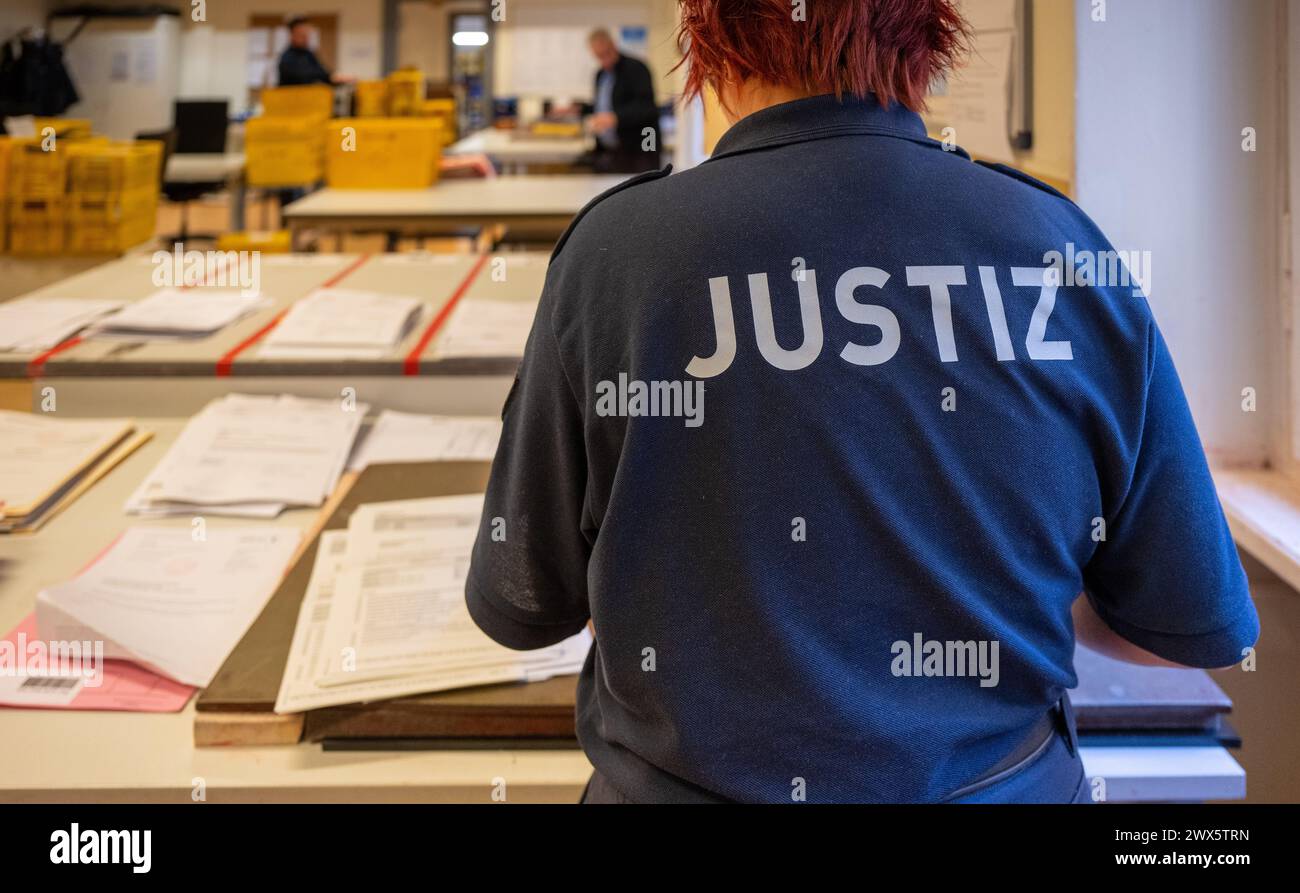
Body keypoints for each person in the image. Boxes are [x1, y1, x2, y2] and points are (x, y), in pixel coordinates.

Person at [465, 0, 1260, 803]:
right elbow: (1185, 626)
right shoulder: (1059, 244)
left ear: (714, 54)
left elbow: (527, 603)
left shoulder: (615, 251)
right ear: (927, 54)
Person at [579, 28, 660, 173]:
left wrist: (615, 118)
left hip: (641, 145)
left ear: (613, 45)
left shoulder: (636, 68)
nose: (604, 61)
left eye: (606, 54)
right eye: (598, 57)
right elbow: (602, 107)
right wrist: (579, 109)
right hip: (612, 150)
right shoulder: (600, 75)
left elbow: (647, 108)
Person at [277, 17, 351, 87]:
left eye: (307, 34)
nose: (306, 38)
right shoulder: (287, 57)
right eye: (301, 35)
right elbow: (302, 75)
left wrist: (334, 77)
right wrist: (327, 77)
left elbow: (322, 71)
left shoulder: (309, 54)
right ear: (292, 35)